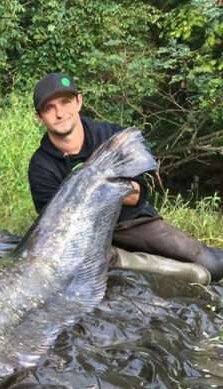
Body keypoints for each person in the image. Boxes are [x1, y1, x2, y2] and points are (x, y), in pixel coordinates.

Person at [27, 73, 223, 283]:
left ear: (79, 101)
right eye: (49, 108)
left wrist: (90, 190)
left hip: (131, 223)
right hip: (84, 237)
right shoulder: (40, 166)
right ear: (39, 116)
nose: (60, 113)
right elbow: (54, 225)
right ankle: (124, 259)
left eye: (65, 102)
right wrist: (108, 187)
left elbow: (138, 193)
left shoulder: (115, 137)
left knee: (213, 265)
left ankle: (141, 261)